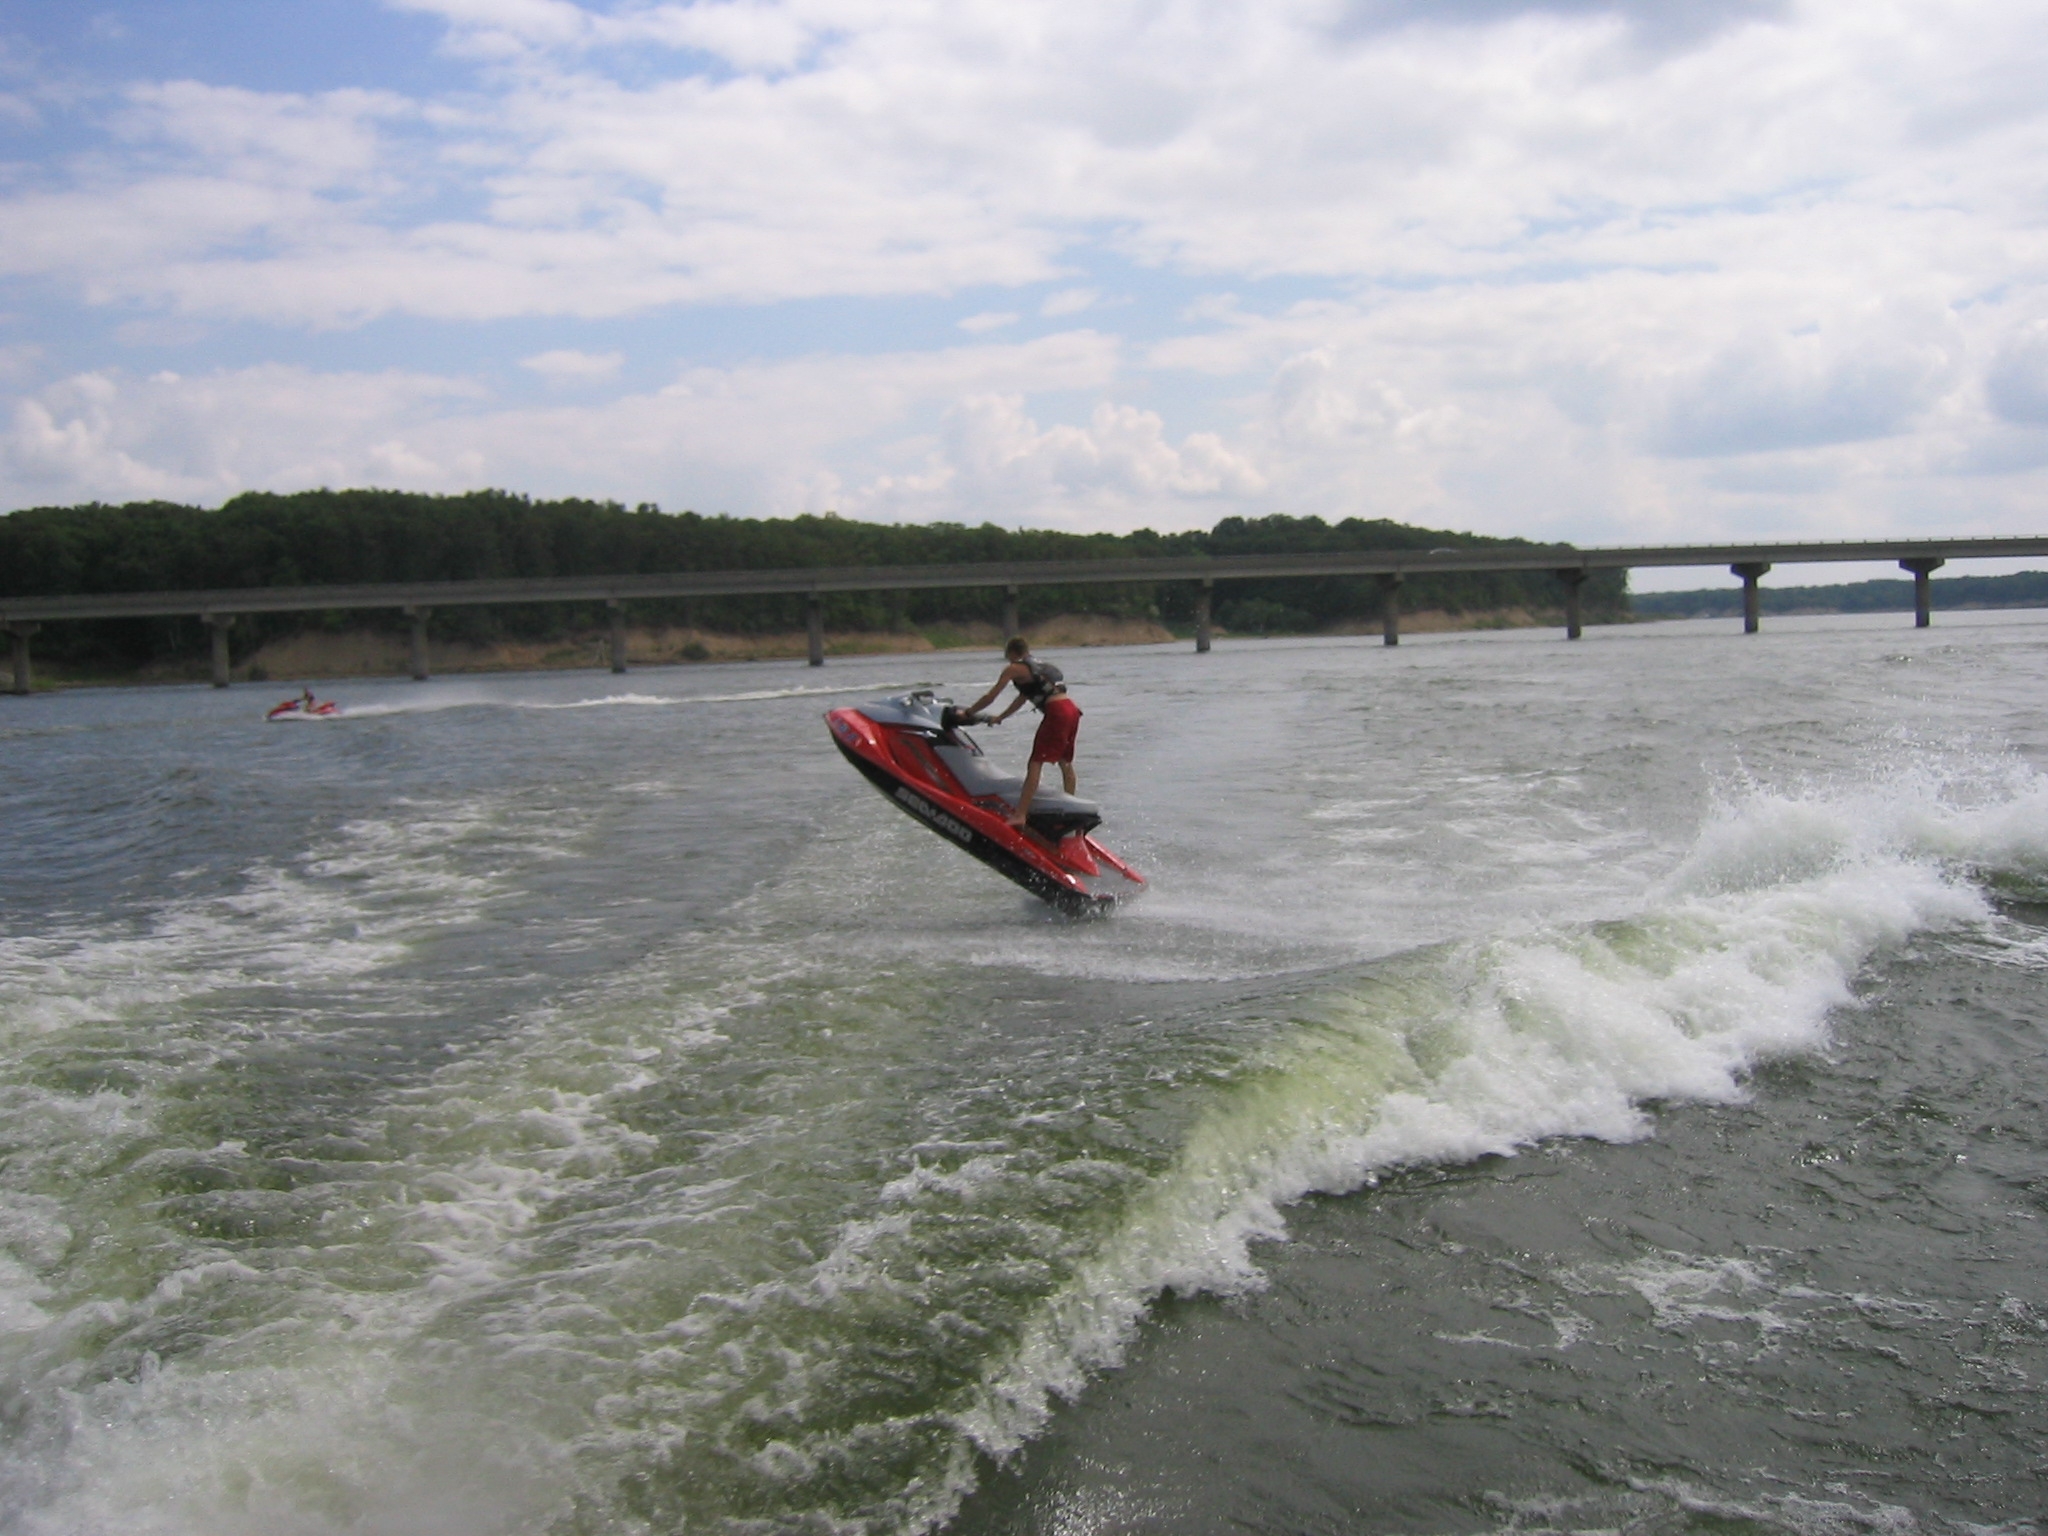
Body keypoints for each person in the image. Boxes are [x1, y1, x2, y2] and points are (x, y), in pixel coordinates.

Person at [965, 637, 1080, 828]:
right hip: (1072, 710)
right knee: (1064, 762)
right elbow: (1022, 699)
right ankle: (1071, 807)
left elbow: (991, 696)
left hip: (1057, 713)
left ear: (1011, 653)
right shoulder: (1038, 667)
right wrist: (1001, 717)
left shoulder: (1014, 668)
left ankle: (1020, 815)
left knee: (1035, 762)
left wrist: (970, 712)